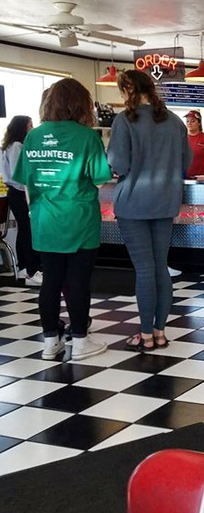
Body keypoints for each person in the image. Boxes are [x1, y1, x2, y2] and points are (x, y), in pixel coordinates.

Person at [12, 79, 111, 361]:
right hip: (79, 219)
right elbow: (102, 180)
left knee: (51, 281)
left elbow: (25, 182)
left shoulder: (33, 136)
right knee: (78, 281)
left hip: (44, 219)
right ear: (81, 103)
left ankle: (49, 342)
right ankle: (80, 341)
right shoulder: (87, 137)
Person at [108, 69, 192, 352]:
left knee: (144, 269)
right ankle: (160, 332)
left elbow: (118, 164)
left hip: (133, 202)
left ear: (129, 89)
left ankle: (145, 335)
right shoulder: (175, 122)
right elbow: (187, 161)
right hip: (166, 200)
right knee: (160, 267)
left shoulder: (125, 120)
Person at [0, 115, 42, 286]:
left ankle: (24, 267)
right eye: (30, 126)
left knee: (23, 230)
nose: (32, 129)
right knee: (27, 230)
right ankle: (32, 270)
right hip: (20, 191)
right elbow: (20, 174)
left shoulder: (6, 147)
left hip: (13, 192)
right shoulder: (17, 147)